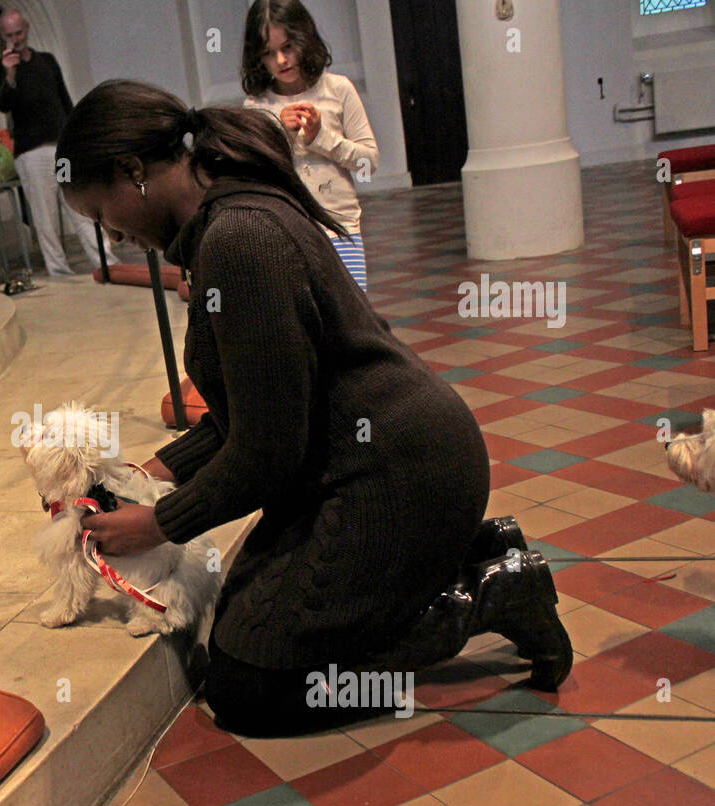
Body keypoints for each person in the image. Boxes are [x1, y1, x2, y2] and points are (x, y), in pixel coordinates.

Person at [55, 80, 572, 736]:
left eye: (106, 215)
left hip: (393, 472)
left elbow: (268, 452)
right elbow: (259, 402)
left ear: (135, 172)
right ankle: (464, 548)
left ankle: (488, 594)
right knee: (241, 624)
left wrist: (158, 524)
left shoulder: (238, 241)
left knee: (250, 688)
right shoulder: (228, 216)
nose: (117, 236)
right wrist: (154, 470)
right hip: (378, 459)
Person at [241, 0, 378, 291]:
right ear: (257, 58)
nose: (281, 60)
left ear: (305, 38)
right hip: (285, 233)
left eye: (288, 46)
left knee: (352, 323)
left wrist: (321, 138)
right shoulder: (256, 106)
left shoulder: (338, 89)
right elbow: (253, 175)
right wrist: (280, 133)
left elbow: (368, 161)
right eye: (269, 53)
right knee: (305, 324)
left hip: (340, 228)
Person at [0, 6, 110, 276]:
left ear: (27, 29)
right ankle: (59, 272)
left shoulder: (47, 60)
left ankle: (107, 265)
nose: (15, 38)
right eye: (9, 34)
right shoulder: (0, 70)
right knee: (45, 219)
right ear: (2, 35)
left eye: (19, 32)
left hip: (61, 149)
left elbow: (64, 101)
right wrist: (10, 74)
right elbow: (3, 104)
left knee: (80, 207)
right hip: (31, 153)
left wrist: (76, 139)